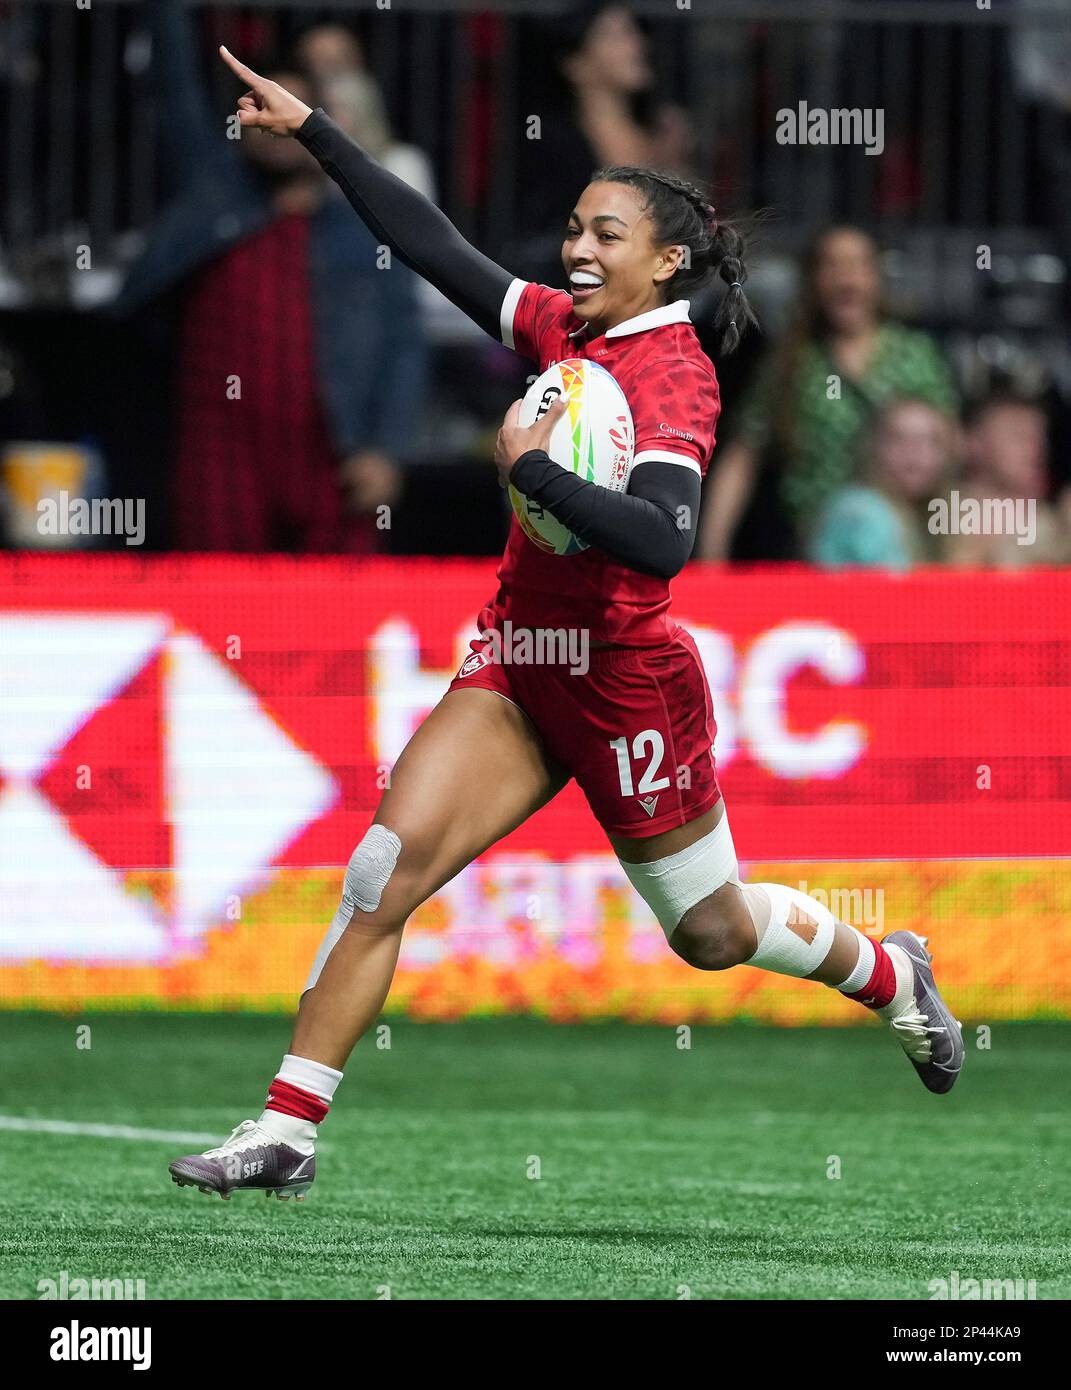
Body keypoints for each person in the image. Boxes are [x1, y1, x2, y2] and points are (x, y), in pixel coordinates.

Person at [168, 51, 964, 1203]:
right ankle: (287, 1130)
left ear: (666, 263)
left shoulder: (678, 379)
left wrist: (535, 469)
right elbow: (439, 248)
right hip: (519, 659)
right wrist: (321, 134)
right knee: (382, 871)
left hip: (627, 679)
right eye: (574, 230)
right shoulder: (569, 333)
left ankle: (894, 973)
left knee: (711, 933)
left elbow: (660, 541)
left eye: (605, 236)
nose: (576, 252)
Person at [110, 0, 426, 552]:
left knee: (335, 627)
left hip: (335, 455)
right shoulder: (210, 198)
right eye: (257, 107)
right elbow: (173, 88)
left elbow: (403, 341)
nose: (273, 125)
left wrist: (386, 449)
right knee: (216, 616)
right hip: (220, 457)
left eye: (289, 110)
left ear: (322, 124)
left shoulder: (367, 223)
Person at [698, 226, 957, 560]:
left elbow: (950, 443)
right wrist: (712, 555)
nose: (846, 276)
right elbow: (744, 455)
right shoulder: (794, 363)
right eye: (831, 265)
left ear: (877, 278)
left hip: (902, 546)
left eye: (859, 264)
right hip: (816, 550)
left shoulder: (915, 355)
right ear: (813, 282)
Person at [810, 397, 956, 571]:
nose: (915, 452)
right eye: (899, 439)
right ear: (874, 447)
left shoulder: (925, 512)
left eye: (929, 441)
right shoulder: (861, 512)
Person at [946, 394, 1071, 568]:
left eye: (1041, 438)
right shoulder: (942, 518)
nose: (1036, 449)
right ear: (973, 443)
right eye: (1019, 436)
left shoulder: (1057, 522)